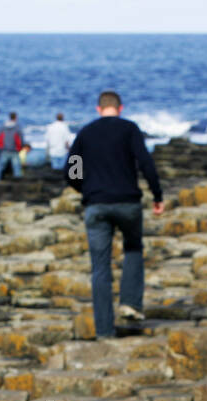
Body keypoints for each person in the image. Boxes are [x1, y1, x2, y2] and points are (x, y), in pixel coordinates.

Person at [66, 89, 164, 339]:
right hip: (128, 203)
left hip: (96, 205)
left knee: (100, 268)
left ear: (98, 110)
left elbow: (71, 169)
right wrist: (157, 195)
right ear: (120, 109)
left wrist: (83, 188)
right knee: (133, 249)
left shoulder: (86, 133)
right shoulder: (129, 129)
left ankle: (104, 331)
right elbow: (146, 164)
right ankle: (130, 303)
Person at [0, 111, 25, 179]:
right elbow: (21, 138)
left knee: (2, 165)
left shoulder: (3, 126)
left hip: (4, 148)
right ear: (15, 117)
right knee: (16, 166)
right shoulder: (17, 127)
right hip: (14, 149)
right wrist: (21, 146)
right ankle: (17, 180)